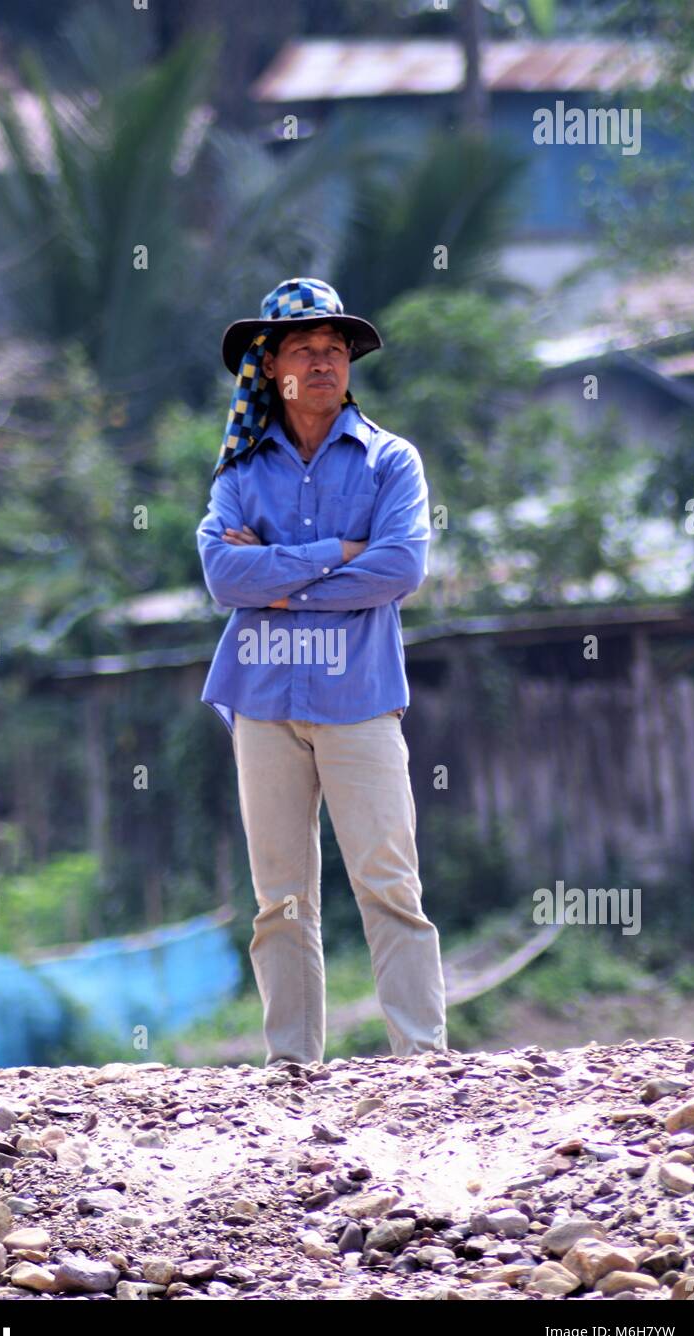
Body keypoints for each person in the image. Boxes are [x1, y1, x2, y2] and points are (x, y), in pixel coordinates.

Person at [195, 277, 447, 1066]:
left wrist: (277, 576)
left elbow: (400, 568)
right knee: (279, 898)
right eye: (304, 348)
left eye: (335, 348)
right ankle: (292, 1067)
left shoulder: (390, 461)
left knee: (389, 882)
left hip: (360, 701)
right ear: (270, 368)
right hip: (262, 700)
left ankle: (420, 1060)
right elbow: (222, 580)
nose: (324, 360)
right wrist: (334, 555)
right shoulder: (240, 473)